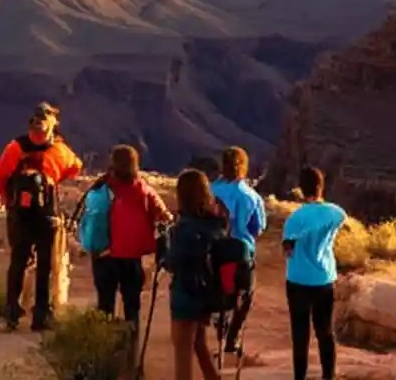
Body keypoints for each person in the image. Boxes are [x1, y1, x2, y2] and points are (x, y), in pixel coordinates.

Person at [0, 101, 83, 331]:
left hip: (19, 215)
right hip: (47, 215)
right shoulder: (60, 151)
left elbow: (0, 176)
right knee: (45, 265)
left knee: (18, 262)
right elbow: (76, 167)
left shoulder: (15, 147)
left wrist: (8, 202)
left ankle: (11, 311)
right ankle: (41, 315)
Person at [91, 145, 171, 334]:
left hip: (104, 255)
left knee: (105, 307)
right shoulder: (144, 190)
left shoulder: (102, 188)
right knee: (132, 307)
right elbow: (165, 218)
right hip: (132, 257)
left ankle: (103, 350)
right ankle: (131, 352)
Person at [283, 166, 346, 380]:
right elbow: (338, 223)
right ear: (321, 187)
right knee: (325, 331)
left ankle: (299, 377)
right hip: (324, 278)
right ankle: (328, 375)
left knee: (300, 334)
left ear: (301, 189)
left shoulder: (295, 218)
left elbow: (288, 250)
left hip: (298, 279)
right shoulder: (336, 213)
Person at [165, 169, 227, 380]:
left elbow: (173, 263)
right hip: (207, 294)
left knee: (182, 351)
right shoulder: (215, 224)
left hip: (185, 295)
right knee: (199, 343)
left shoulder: (182, 229)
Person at [210, 146, 266, 352]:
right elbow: (258, 228)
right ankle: (232, 339)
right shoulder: (251, 196)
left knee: (213, 285)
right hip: (241, 251)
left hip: (213, 250)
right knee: (246, 295)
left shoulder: (209, 190)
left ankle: (217, 319)